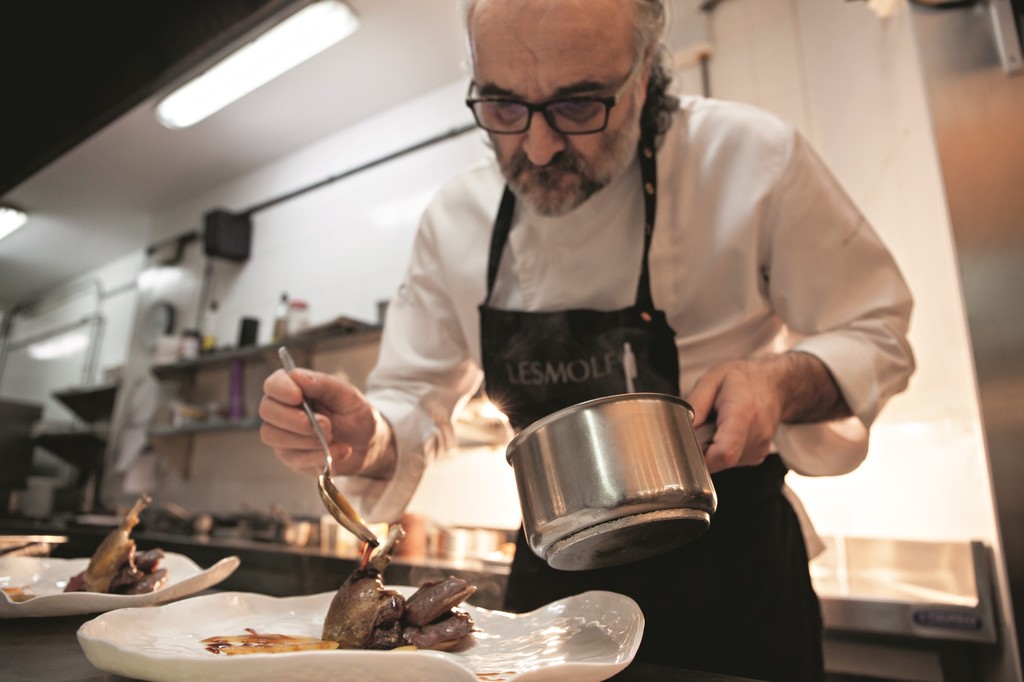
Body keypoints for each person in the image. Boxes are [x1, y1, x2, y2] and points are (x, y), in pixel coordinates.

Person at [258, 0, 915, 678]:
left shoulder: (750, 159)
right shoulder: (457, 218)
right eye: (504, 108)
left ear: (646, 73)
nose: (539, 149)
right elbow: (411, 398)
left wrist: (779, 382)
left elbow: (877, 333)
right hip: (551, 589)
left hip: (736, 586)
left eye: (579, 106)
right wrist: (366, 437)